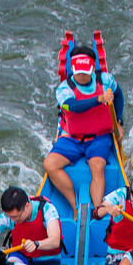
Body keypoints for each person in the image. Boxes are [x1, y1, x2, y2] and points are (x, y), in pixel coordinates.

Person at [44, 46, 123, 213]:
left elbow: (119, 95)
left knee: (97, 165)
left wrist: (120, 122)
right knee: (50, 164)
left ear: (93, 68)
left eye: (85, 72)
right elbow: (73, 106)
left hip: (99, 136)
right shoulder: (64, 88)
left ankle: (97, 210)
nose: (80, 75)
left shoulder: (106, 80)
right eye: (77, 71)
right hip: (72, 137)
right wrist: (99, 99)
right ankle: (74, 206)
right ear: (72, 69)